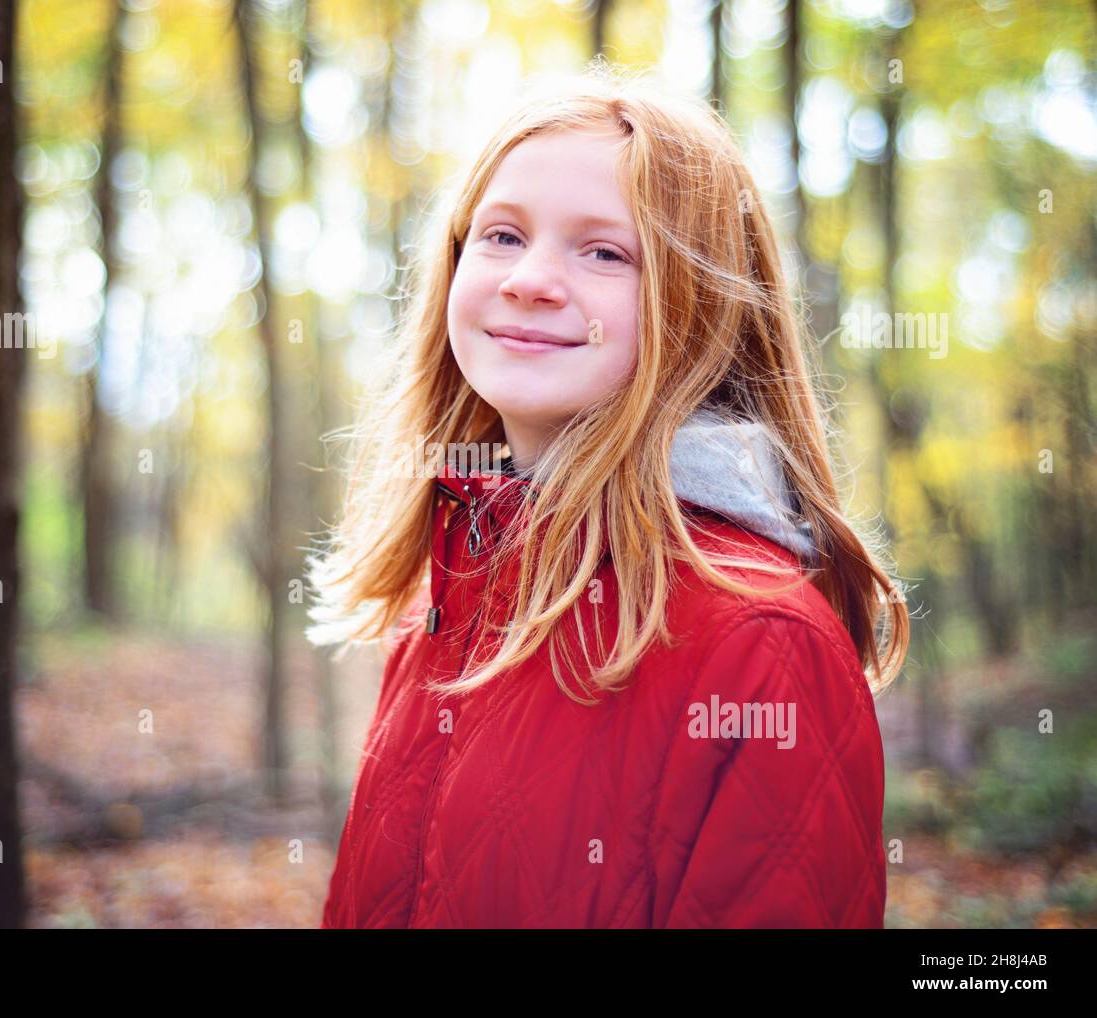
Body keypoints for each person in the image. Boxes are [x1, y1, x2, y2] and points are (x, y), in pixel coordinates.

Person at [304, 62, 909, 929]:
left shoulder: (760, 646)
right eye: (502, 236)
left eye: (604, 252)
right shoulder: (442, 606)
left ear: (699, 304)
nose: (529, 279)